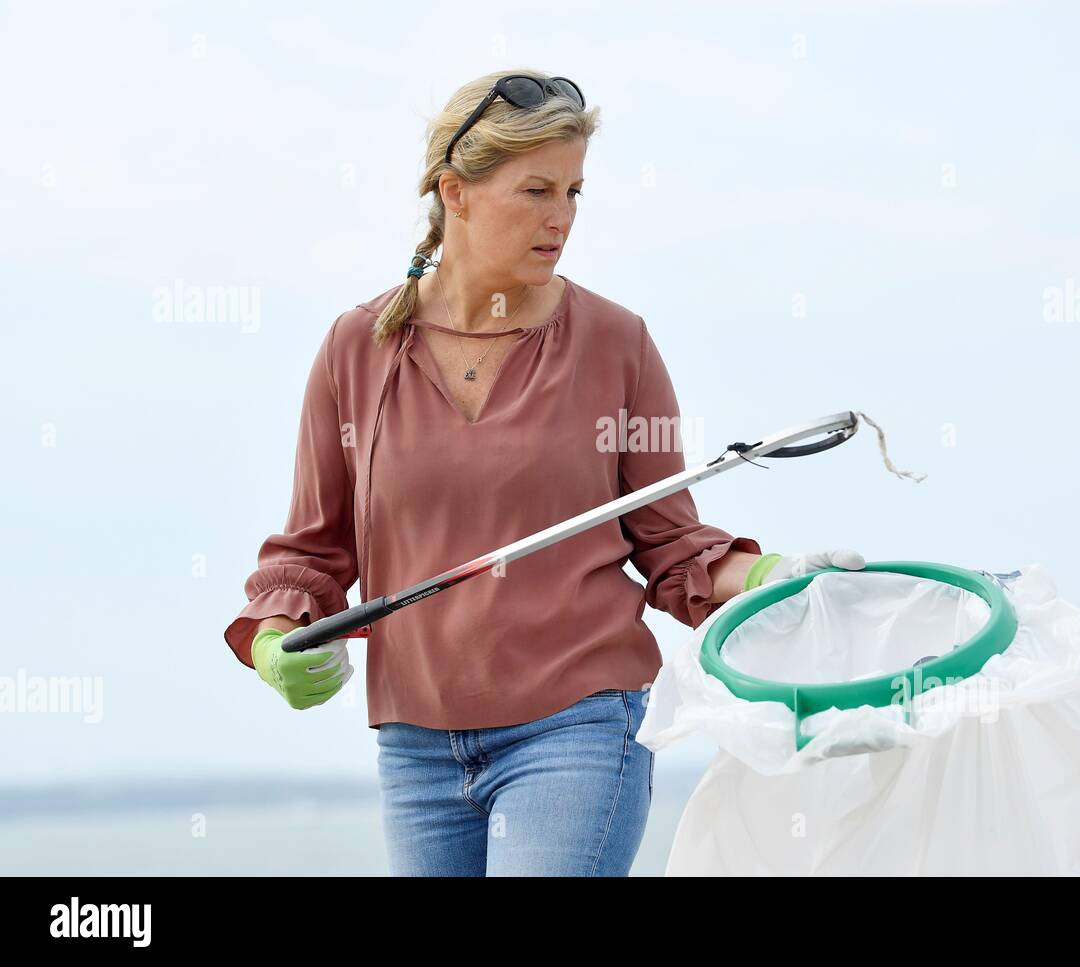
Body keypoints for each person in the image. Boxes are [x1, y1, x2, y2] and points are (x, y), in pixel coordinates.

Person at [223, 69, 867, 876]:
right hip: (416, 749)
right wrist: (279, 635)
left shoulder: (617, 343)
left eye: (573, 192)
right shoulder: (356, 349)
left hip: (578, 727)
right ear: (454, 192)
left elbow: (675, 548)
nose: (559, 218)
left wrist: (773, 575)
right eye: (535, 191)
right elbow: (313, 551)